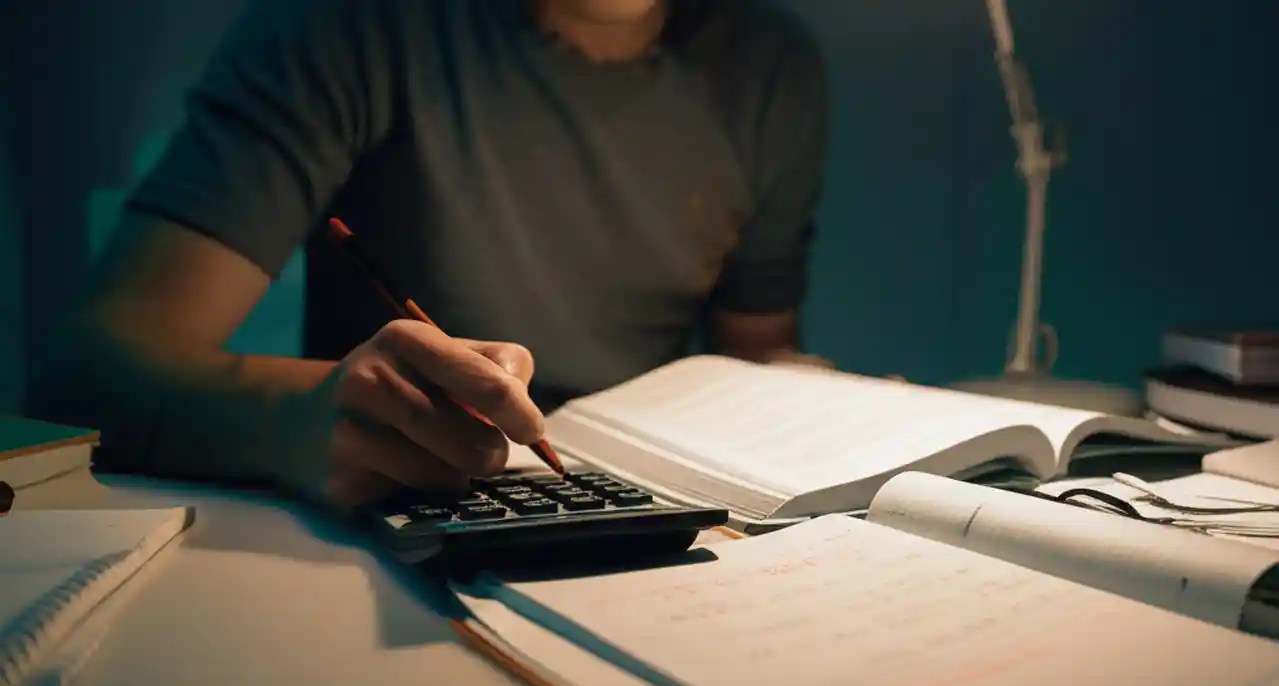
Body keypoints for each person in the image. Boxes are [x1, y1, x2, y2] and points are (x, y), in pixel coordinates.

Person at [27, 0, 829, 509]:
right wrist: (305, 413)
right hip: (399, 519)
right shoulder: (351, 26)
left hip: (655, 535)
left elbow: (755, 354)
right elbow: (88, 376)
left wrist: (818, 404)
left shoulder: (769, 66)